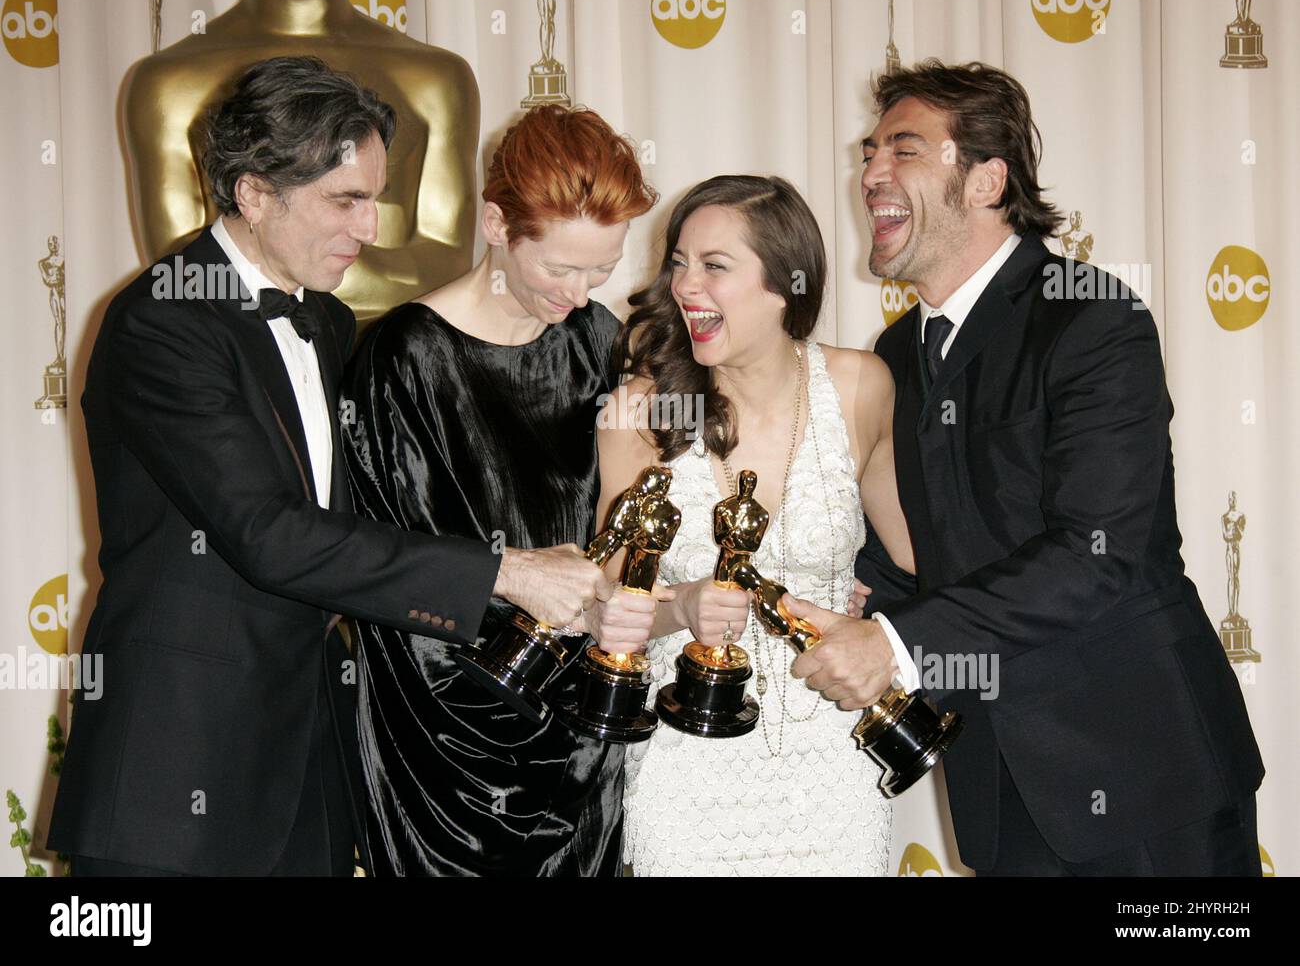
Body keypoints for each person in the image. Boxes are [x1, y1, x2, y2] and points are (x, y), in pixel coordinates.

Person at [48, 57, 606, 877]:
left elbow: (371, 523)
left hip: (309, 760)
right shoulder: (161, 321)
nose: (371, 228)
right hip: (177, 770)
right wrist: (506, 572)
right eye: (345, 200)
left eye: (373, 198)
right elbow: (270, 534)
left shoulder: (332, 323)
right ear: (254, 193)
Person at [790, 59, 1264, 876]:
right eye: (869, 152)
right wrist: (859, 592)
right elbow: (936, 542)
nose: (870, 174)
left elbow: (1095, 554)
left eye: (903, 150)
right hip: (997, 789)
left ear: (986, 179)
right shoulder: (898, 352)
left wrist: (895, 642)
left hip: (1144, 778)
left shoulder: (1091, 317)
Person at [341, 106, 660, 876]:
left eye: (601, 270)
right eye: (559, 267)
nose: (581, 294)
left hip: (584, 739)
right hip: (441, 751)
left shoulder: (595, 341)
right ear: (494, 223)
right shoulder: (400, 358)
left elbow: (625, 527)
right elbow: (399, 581)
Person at [596, 175, 914, 876]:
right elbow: (603, 609)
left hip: (832, 767)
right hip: (686, 759)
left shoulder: (861, 387)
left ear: (784, 285)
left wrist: (869, 605)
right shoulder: (637, 411)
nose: (685, 285)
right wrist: (680, 605)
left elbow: (917, 557)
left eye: (714, 265)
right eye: (678, 261)